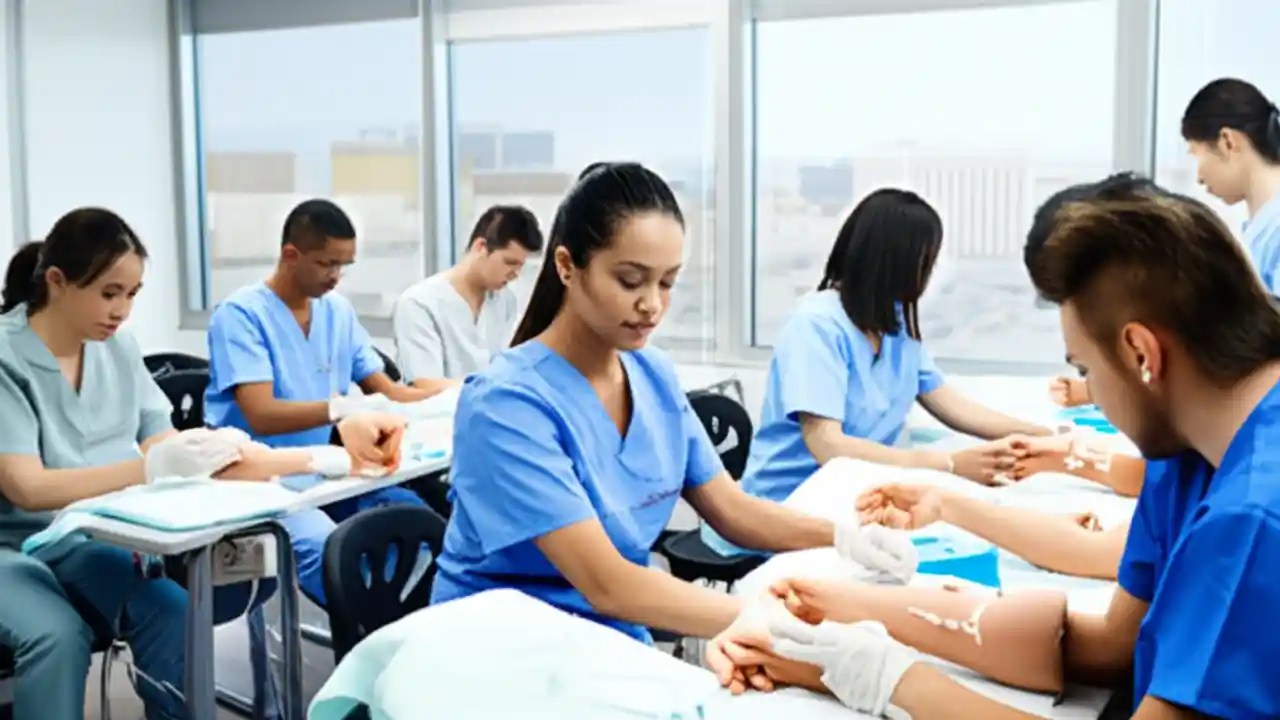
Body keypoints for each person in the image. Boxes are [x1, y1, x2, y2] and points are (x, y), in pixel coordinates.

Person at [713, 183, 1280, 717]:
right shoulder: (1187, 452)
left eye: (1085, 370)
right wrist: (852, 612)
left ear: (1140, 354)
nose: (1093, 398)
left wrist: (888, 679)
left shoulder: (1252, 517)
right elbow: (1112, 646)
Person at [428, 163, 911, 661]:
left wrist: (845, 540)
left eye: (667, 283)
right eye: (631, 280)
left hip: (608, 638)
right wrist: (778, 618)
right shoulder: (507, 404)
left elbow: (732, 510)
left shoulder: (652, 374)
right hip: (499, 650)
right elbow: (608, 584)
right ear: (568, 266)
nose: (651, 305)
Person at [0, 211, 405, 720]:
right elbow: (27, 488)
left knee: (171, 612)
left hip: (81, 538)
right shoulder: (6, 358)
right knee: (55, 634)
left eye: (132, 294)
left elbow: (181, 455)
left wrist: (334, 457)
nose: (122, 311)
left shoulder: (116, 348)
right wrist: (150, 469)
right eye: (109, 293)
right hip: (10, 547)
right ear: (56, 281)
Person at [741, 189, 1049, 507]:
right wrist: (950, 464)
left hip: (854, 494)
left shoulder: (894, 322)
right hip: (788, 504)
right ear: (895, 262)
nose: (930, 273)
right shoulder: (817, 325)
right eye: (926, 261)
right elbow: (827, 444)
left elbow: (949, 403)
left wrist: (1037, 435)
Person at [204, 198, 433, 605]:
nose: (336, 276)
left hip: (331, 471)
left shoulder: (338, 312)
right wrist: (342, 409)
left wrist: (458, 393)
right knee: (333, 551)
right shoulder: (240, 315)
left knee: (418, 526)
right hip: (264, 480)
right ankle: (367, 635)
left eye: (344, 265)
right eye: (327, 263)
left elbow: (390, 391)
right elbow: (262, 414)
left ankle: (403, 633)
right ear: (290, 255)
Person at [392, 205, 543, 390]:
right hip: (438, 414)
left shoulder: (505, 301)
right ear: (481, 247)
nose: (515, 274)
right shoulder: (419, 303)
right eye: (510, 263)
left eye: (521, 265)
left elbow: (510, 366)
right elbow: (424, 383)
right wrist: (495, 388)